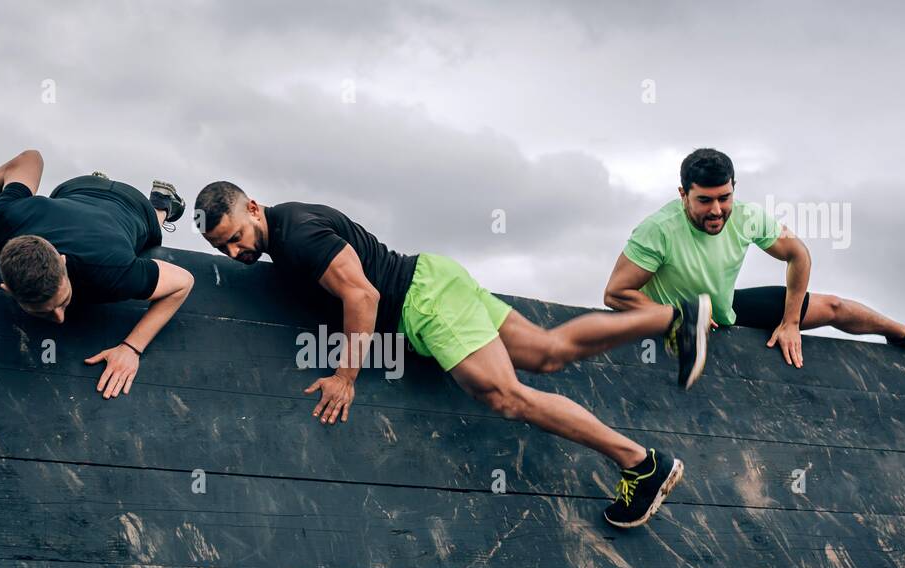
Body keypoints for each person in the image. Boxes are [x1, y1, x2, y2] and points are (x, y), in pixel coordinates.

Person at [194, 181, 712, 528]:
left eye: (237, 237)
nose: (237, 253)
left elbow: (364, 296)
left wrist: (345, 376)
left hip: (426, 301)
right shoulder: (285, 232)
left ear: (254, 208)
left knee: (507, 397)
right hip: (437, 280)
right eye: (224, 249)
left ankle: (641, 463)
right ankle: (674, 317)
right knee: (549, 352)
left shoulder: (298, 235)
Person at [604, 148, 905, 368]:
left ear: (733, 189)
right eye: (704, 201)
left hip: (724, 311)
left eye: (724, 198)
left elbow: (798, 255)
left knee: (833, 306)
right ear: (683, 194)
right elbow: (616, 293)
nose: (717, 210)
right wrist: (676, 317)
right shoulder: (658, 229)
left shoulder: (745, 216)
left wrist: (790, 322)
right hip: (671, 323)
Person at [0, 149, 194, 398]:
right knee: (81, 202)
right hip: (78, 187)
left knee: (150, 234)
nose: (60, 318)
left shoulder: (112, 270)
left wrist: (131, 347)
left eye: (62, 302)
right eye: (44, 311)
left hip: (134, 207)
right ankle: (98, 181)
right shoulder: (3, 224)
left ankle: (161, 202)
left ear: (63, 263)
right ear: (7, 288)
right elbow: (30, 158)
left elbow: (183, 282)